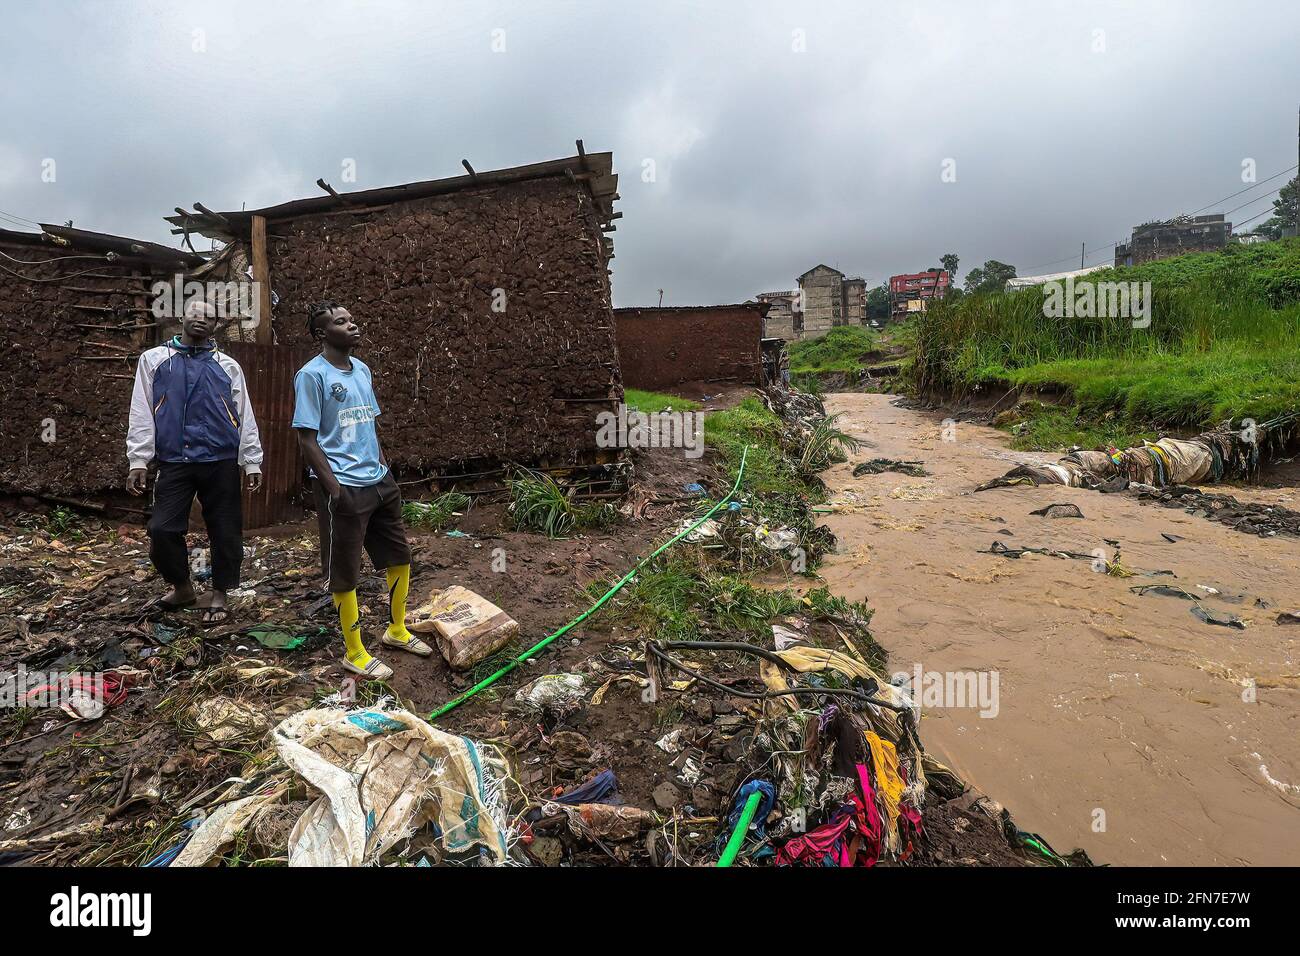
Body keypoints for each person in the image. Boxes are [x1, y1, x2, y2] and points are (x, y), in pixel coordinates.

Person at [292, 301, 429, 681]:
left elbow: (369, 424)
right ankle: (354, 652)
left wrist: (385, 469)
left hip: (379, 481)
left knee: (399, 556)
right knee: (345, 572)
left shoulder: (363, 370)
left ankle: (397, 630)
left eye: (352, 319)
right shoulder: (311, 376)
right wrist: (334, 489)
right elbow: (306, 439)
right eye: (341, 322)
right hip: (344, 487)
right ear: (322, 334)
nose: (352, 325)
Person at [127, 299, 263, 623]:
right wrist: (138, 459)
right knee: (161, 528)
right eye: (195, 312)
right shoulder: (155, 360)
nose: (201, 319)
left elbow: (244, 413)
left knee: (226, 529)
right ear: (181, 316)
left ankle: (220, 592)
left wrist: (252, 460)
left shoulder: (227, 365)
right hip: (175, 460)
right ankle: (183, 588)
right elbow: (141, 410)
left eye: (210, 316)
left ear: (217, 325)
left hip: (221, 459)